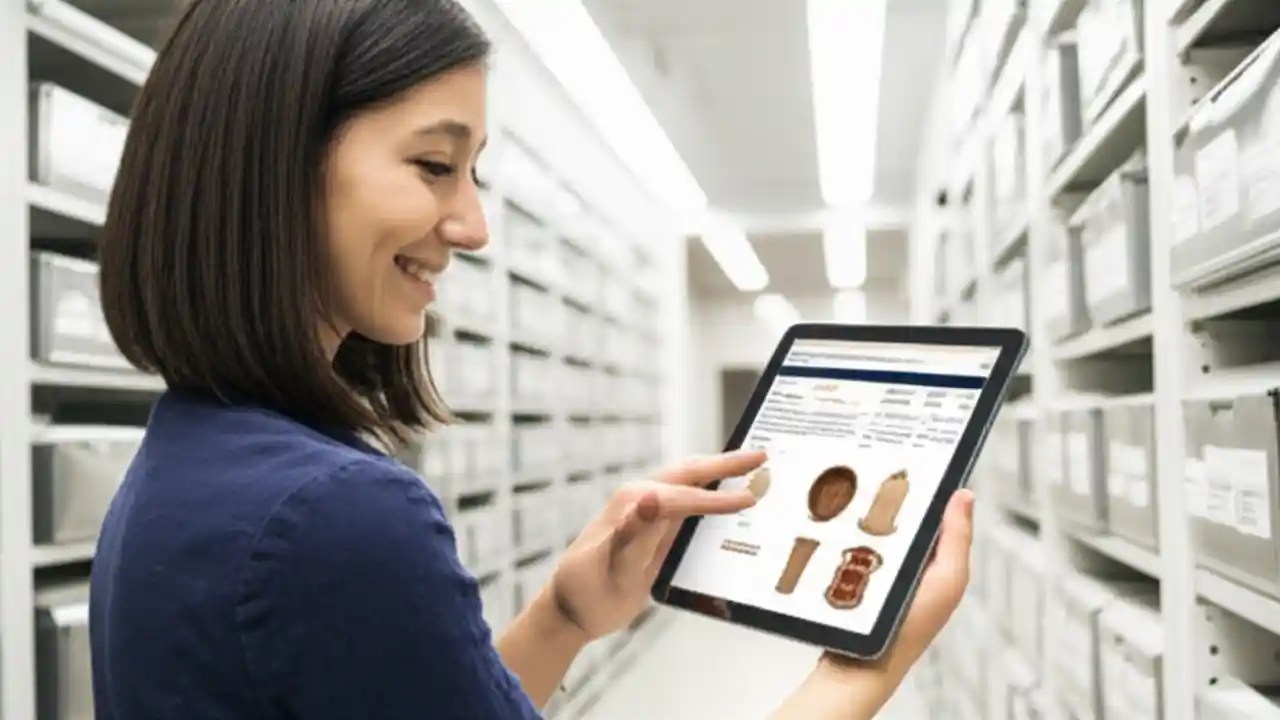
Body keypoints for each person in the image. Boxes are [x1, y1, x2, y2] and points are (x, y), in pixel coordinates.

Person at [89, 1, 976, 718]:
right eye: (435, 163)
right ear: (273, 161)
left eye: (473, 172)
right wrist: (862, 671)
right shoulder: (336, 515)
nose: (474, 225)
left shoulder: (188, 460)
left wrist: (563, 616)